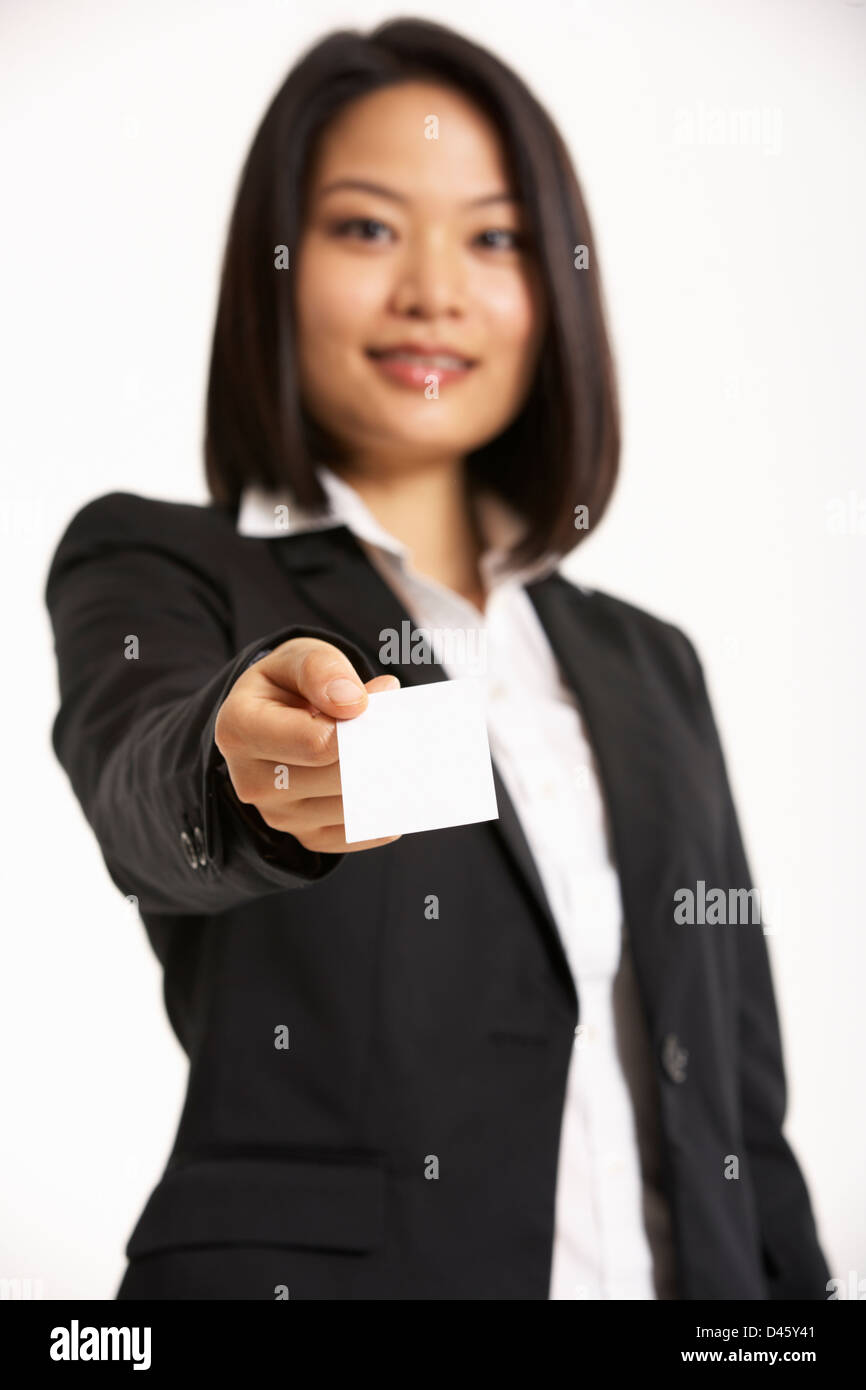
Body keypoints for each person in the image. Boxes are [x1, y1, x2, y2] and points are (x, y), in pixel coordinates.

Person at [45, 18, 829, 1300]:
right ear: (275, 266)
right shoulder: (161, 564)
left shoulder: (650, 665)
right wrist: (237, 767)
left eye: (495, 235)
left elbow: (741, 1108)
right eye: (364, 227)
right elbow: (148, 770)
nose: (434, 290)